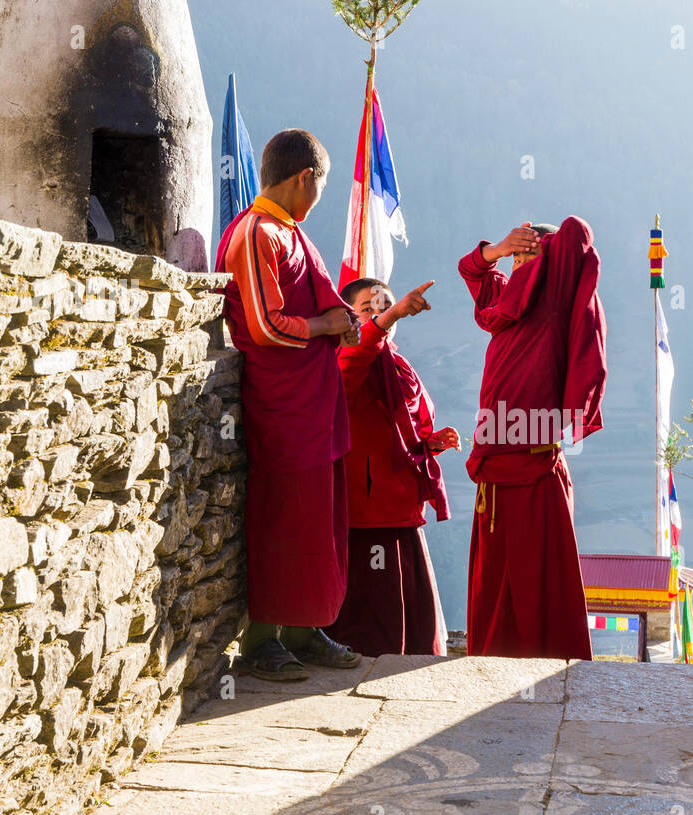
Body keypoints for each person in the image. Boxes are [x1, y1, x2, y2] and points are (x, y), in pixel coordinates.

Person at [214, 128, 364, 680]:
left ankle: (303, 629)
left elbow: (322, 305)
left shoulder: (290, 232)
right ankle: (261, 641)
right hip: (282, 408)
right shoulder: (258, 233)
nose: (319, 195)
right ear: (306, 177)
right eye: (321, 183)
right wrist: (325, 324)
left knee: (315, 523)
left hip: (313, 404)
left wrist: (340, 326)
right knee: (282, 521)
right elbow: (265, 325)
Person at [457, 218, 607, 661]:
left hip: (535, 454)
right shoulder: (503, 298)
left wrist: (545, 246)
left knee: (539, 570)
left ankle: (548, 657)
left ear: (552, 261)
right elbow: (471, 270)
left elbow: (579, 231)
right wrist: (501, 247)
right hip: (495, 457)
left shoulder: (555, 298)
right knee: (496, 571)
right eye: (517, 257)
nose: (522, 263)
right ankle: (491, 655)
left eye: (532, 256)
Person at [326, 276, 460, 656]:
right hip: (368, 506)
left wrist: (431, 443)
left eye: (384, 304)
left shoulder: (396, 361)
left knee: (407, 600)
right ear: (348, 317)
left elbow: (399, 426)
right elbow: (354, 361)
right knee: (376, 603)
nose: (379, 313)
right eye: (367, 309)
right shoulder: (347, 356)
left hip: (400, 500)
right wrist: (392, 314)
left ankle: (405, 661)